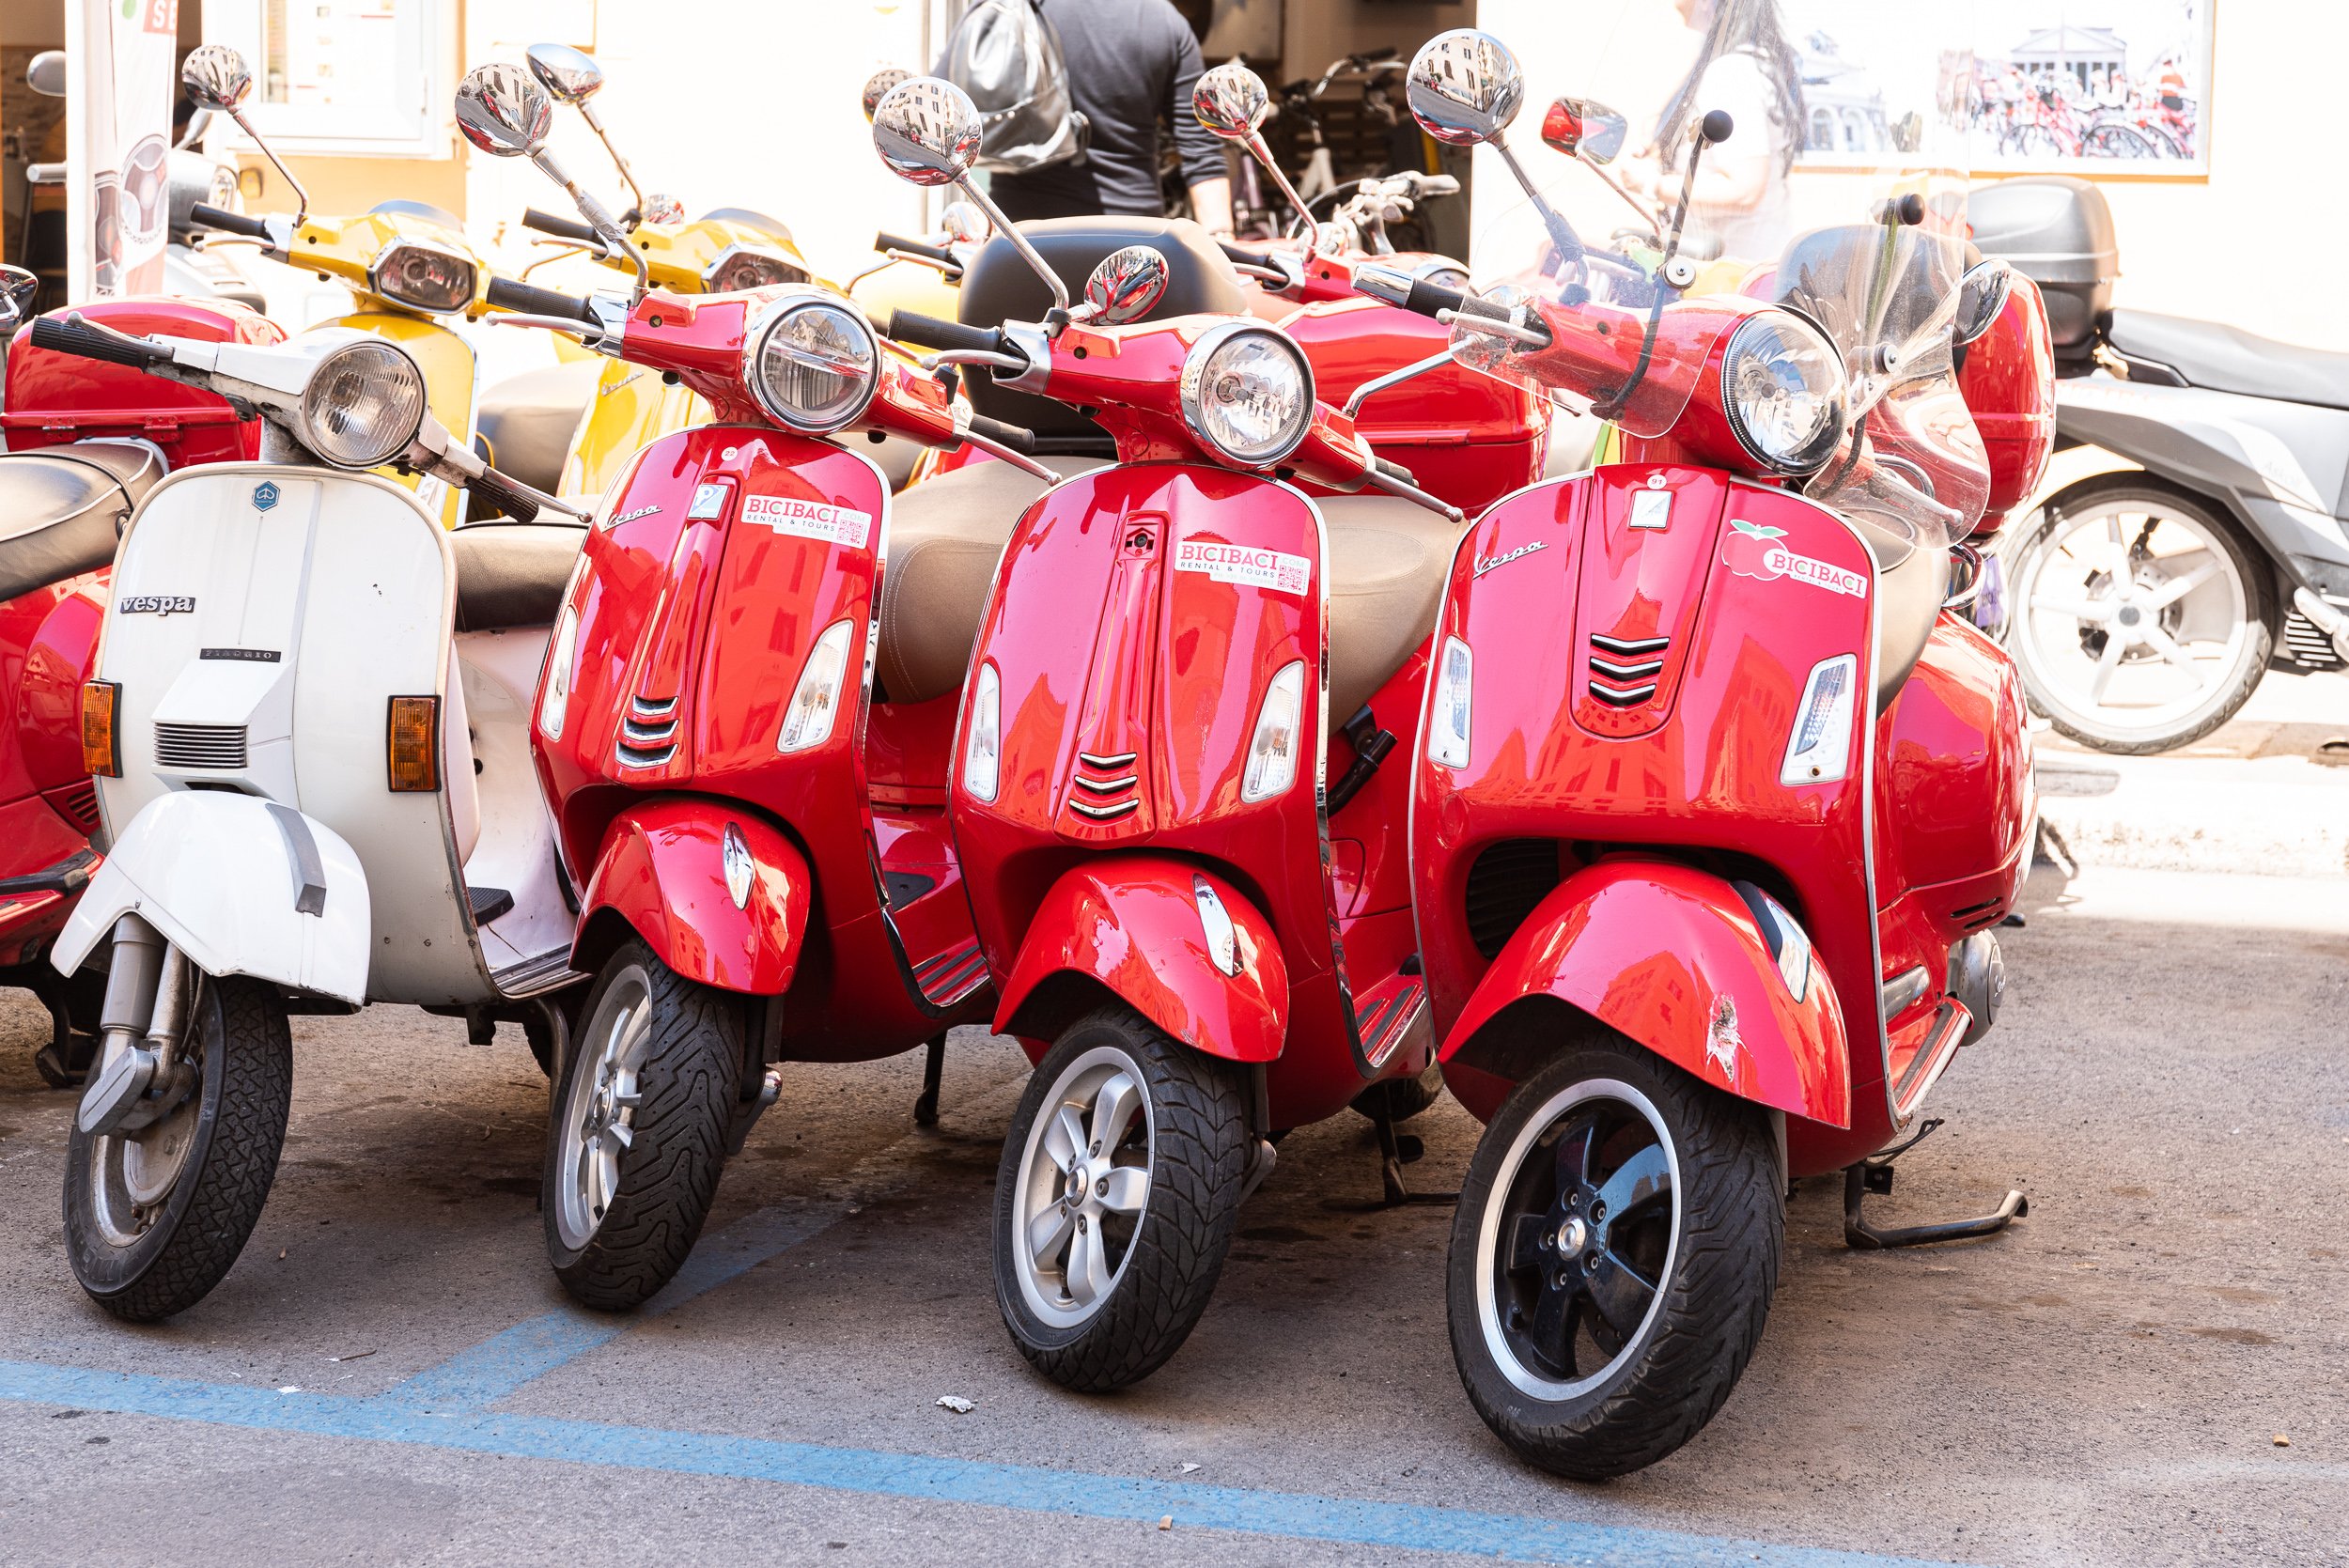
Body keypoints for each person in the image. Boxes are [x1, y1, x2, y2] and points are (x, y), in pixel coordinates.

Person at [958, 0, 1234, 234]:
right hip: (1133, 243)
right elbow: (1202, 154)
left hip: (1021, 236)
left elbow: (949, 110)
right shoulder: (1165, 21)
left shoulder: (1013, 9)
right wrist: (1223, 241)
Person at [1641, 0, 1804, 262]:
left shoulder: (1732, 72)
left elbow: (1744, 189)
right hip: (1733, 272)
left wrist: (1651, 183)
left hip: (1729, 278)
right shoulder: (1746, 65)